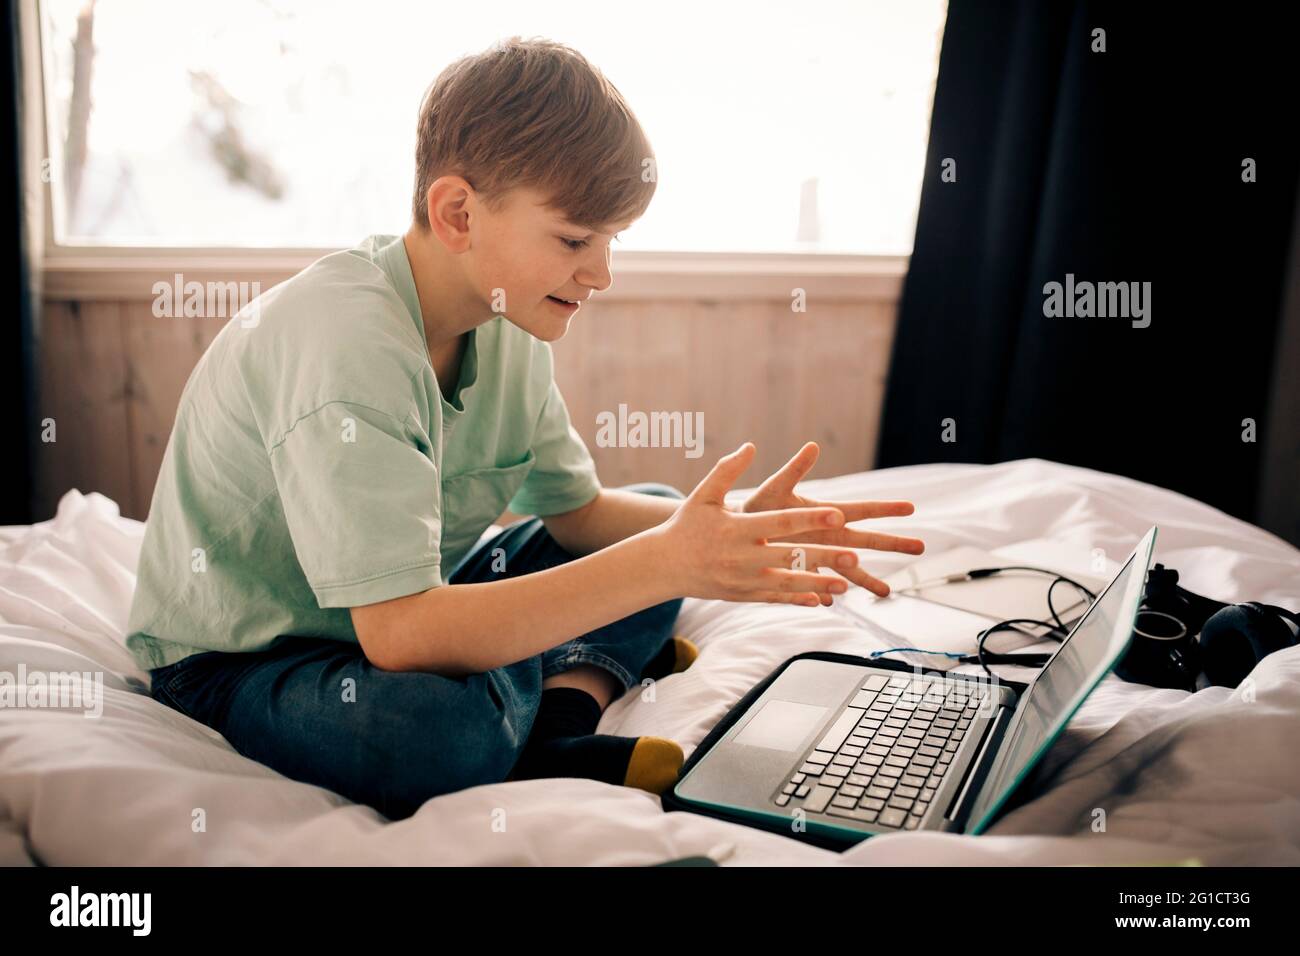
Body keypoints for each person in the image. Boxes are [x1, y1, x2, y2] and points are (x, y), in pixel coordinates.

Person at [128, 37, 925, 821]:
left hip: (411, 604)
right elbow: (401, 637)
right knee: (429, 732)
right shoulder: (344, 344)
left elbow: (575, 513)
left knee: (651, 515)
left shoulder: (509, 325)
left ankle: (551, 729)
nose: (602, 274)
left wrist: (739, 529)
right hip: (253, 660)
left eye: (611, 243)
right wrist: (662, 564)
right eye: (576, 240)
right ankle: (561, 681)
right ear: (457, 213)